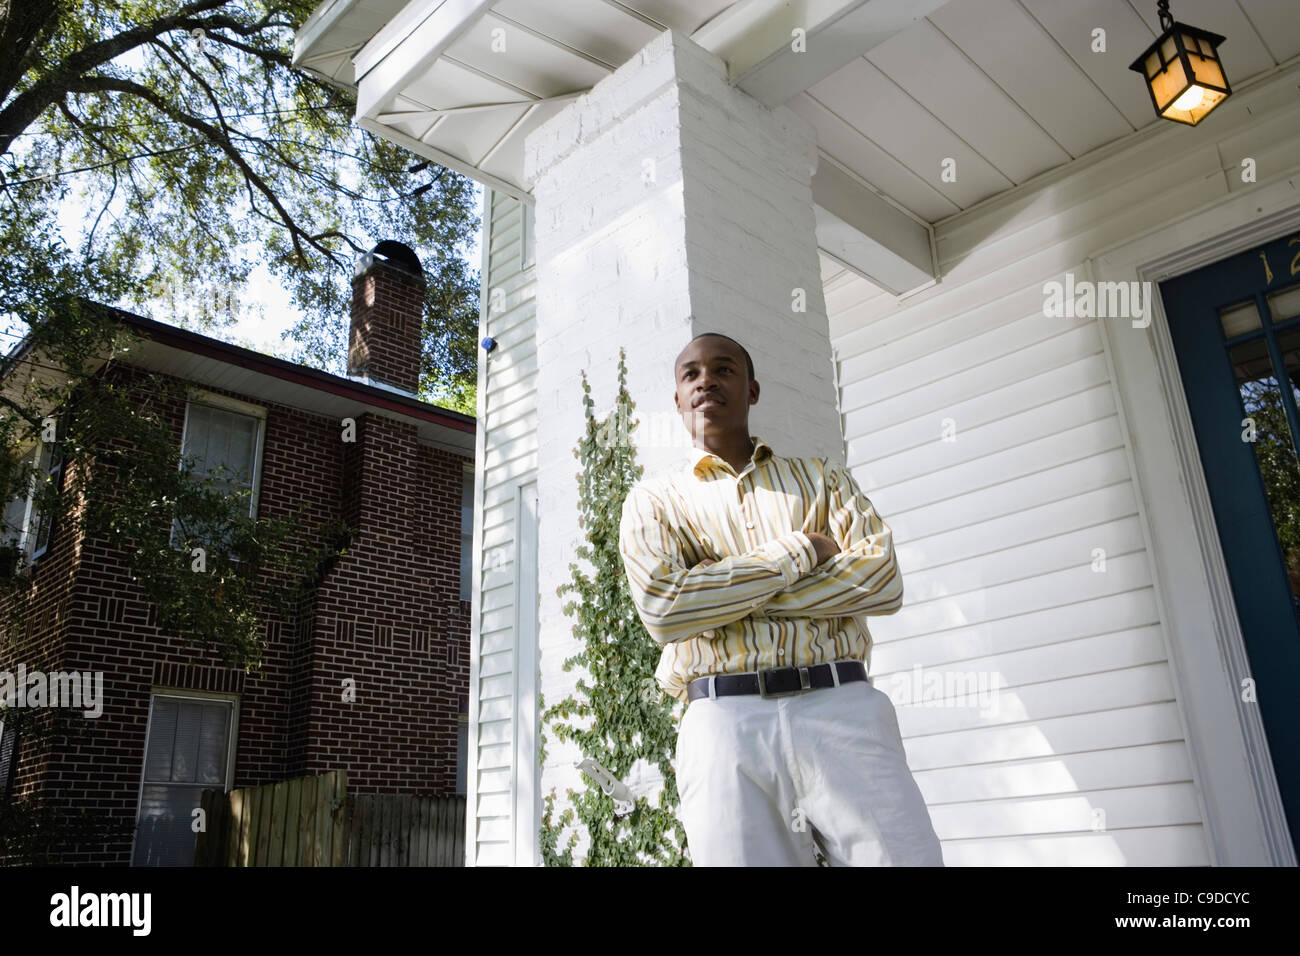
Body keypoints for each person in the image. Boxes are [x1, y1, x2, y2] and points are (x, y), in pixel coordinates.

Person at [617, 331, 943, 866]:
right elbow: (666, 610)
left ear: (753, 390)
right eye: (690, 374)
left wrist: (719, 590)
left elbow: (882, 581)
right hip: (724, 724)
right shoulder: (653, 500)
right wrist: (803, 549)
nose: (706, 381)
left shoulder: (821, 479)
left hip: (842, 707)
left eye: (724, 369)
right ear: (677, 399)